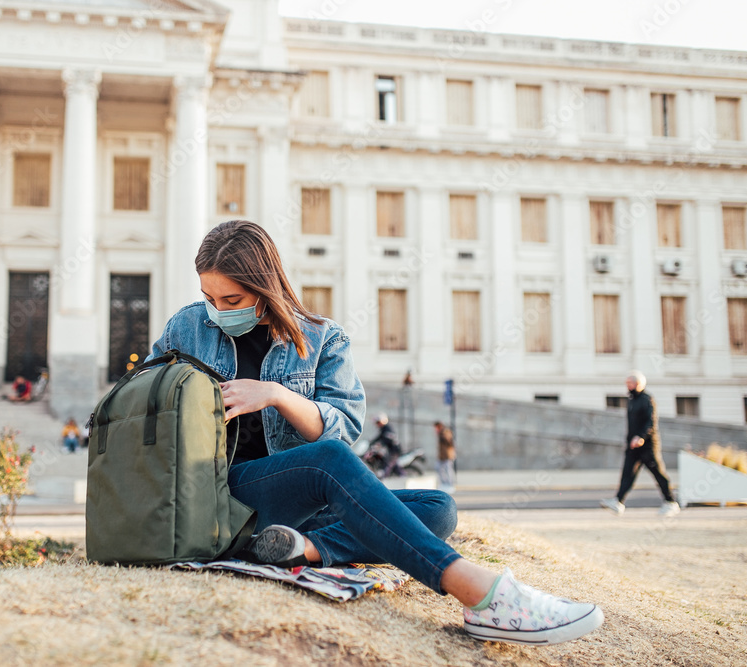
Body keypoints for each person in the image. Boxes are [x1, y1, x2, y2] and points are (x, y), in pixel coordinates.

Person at [148, 220, 603, 646]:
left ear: (266, 289)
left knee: (438, 508)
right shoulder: (186, 328)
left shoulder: (323, 338)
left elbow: (342, 428)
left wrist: (277, 395)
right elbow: (145, 408)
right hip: (222, 492)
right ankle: (480, 592)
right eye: (210, 298)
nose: (218, 311)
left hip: (300, 507)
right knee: (328, 463)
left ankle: (300, 548)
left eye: (232, 302)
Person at [601, 371, 680, 517]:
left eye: (629, 383)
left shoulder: (647, 399)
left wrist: (641, 437)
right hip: (633, 447)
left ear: (637, 384)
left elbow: (651, 422)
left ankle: (671, 502)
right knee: (627, 473)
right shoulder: (631, 400)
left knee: (658, 473)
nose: (627, 386)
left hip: (647, 446)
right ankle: (618, 502)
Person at [367, 413, 404, 478]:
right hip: (390, 450)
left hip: (394, 450)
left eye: (378, 422)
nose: (377, 424)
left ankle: (386, 477)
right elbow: (379, 437)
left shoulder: (387, 428)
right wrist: (371, 442)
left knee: (389, 464)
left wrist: (379, 444)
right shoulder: (383, 429)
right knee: (393, 465)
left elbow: (386, 439)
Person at [434, 421, 457, 494]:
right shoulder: (441, 433)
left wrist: (441, 434)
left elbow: (449, 441)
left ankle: (449, 484)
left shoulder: (445, 432)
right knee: (439, 468)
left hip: (447, 455)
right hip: (442, 456)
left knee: (448, 470)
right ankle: (444, 483)